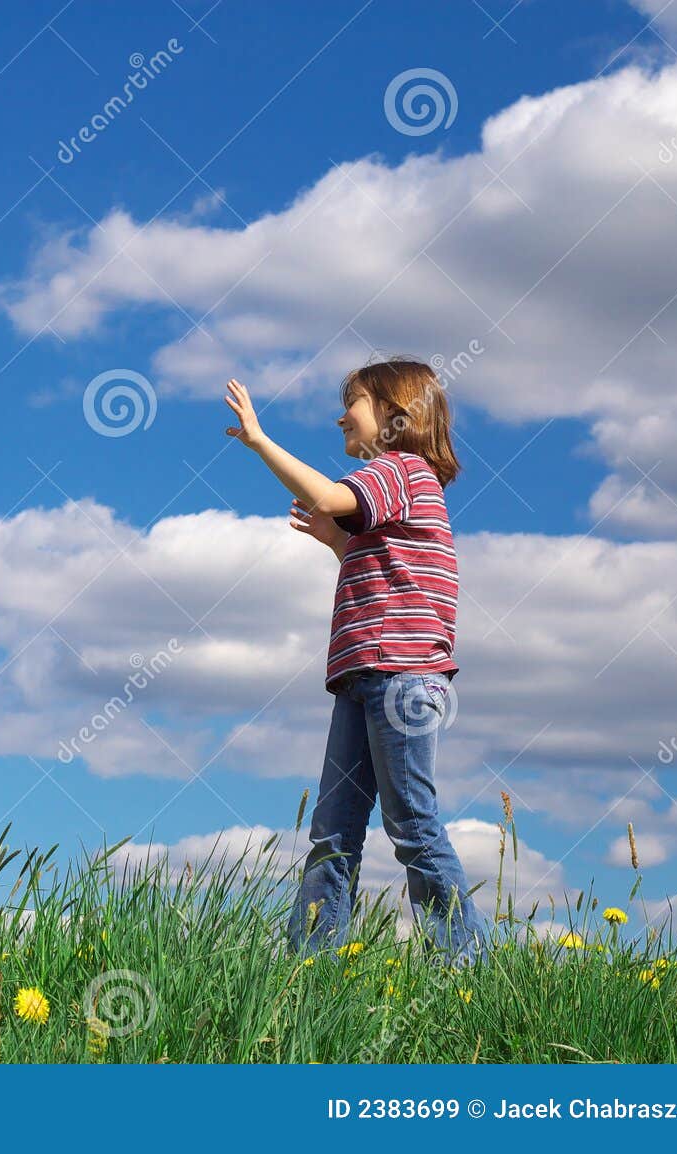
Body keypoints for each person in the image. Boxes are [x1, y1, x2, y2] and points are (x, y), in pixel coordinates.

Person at [223, 357, 489, 964]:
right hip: (364, 679)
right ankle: (310, 964)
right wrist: (339, 543)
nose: (342, 415)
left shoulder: (400, 469)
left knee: (412, 823)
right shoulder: (398, 486)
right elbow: (381, 560)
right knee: (333, 830)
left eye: (356, 403)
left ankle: (465, 962)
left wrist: (261, 441)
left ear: (396, 417)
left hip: (399, 678)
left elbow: (327, 493)